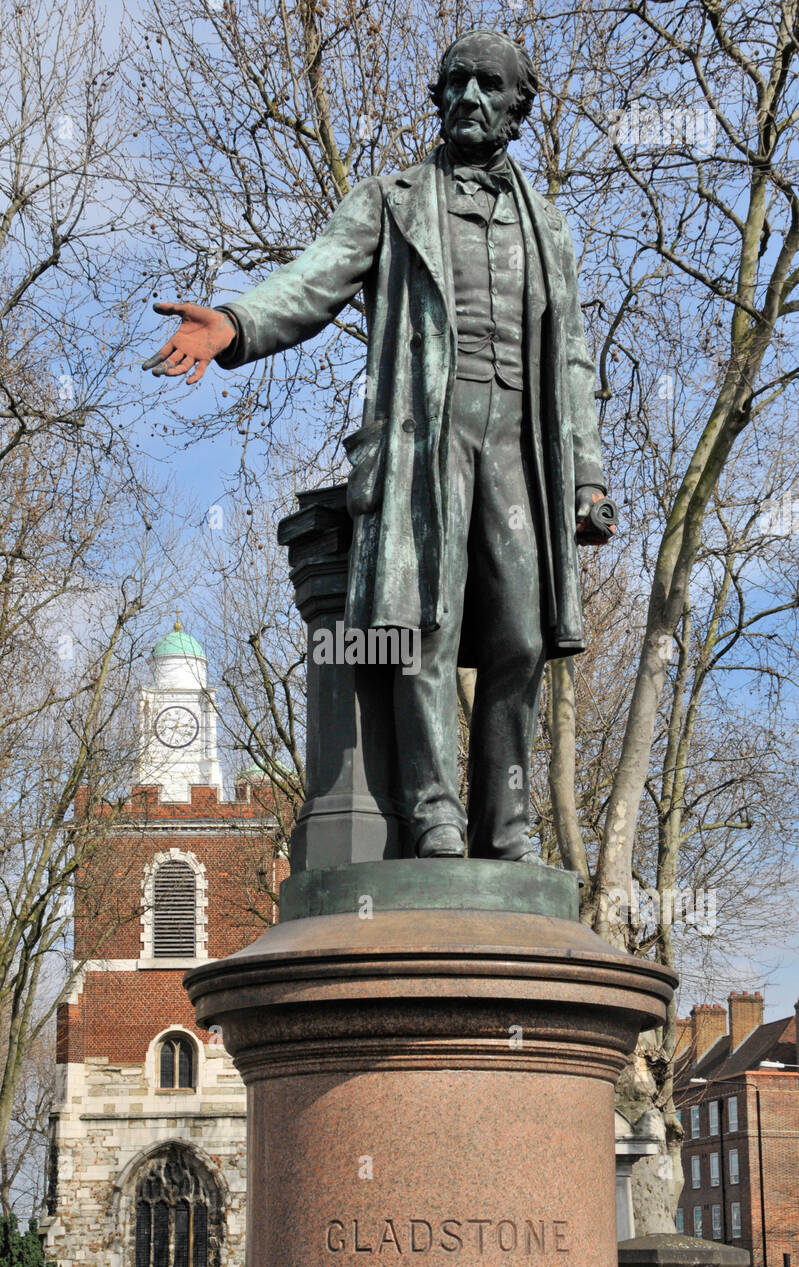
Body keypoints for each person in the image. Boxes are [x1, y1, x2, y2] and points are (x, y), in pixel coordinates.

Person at [143, 29, 616, 861]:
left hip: (521, 445)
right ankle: (432, 810)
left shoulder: (549, 228)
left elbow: (571, 354)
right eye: (455, 83)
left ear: (517, 107)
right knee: (422, 625)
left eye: (488, 86)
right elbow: (314, 279)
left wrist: (587, 475)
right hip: (424, 438)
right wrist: (237, 323)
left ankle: (503, 821)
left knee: (519, 635)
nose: (469, 97)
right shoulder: (391, 200)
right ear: (437, 99)